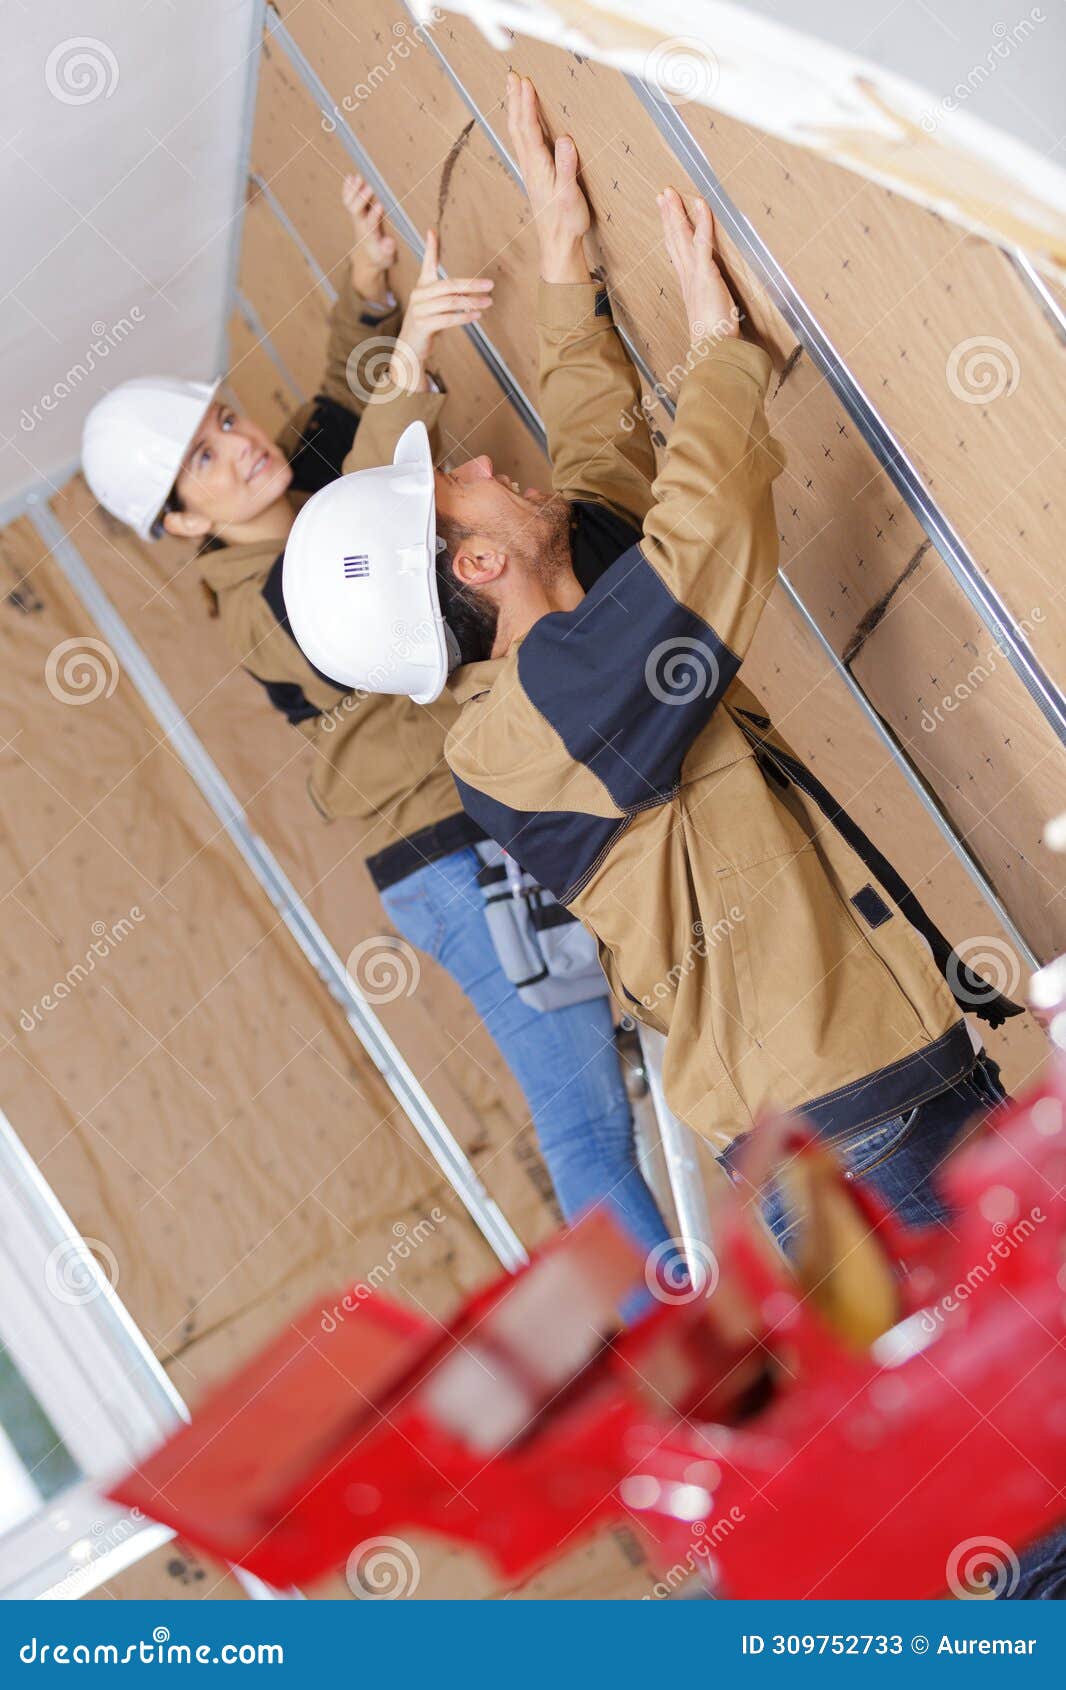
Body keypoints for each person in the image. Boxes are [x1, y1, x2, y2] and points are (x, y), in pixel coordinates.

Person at [281, 81, 1021, 1238]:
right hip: (855, 1139)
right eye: (457, 487)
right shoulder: (530, 727)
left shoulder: (564, 636)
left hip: (885, 1086)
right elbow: (707, 529)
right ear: (473, 566)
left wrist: (565, 264)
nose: (481, 463)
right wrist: (719, 345)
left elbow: (602, 469)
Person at [80, 175, 673, 1267]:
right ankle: (684, 1345)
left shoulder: (303, 481)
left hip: (498, 822)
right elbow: (370, 541)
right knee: (587, 1113)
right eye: (202, 463)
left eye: (220, 419)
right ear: (179, 525)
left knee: (665, 1052)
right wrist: (409, 365)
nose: (237, 446)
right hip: (448, 860)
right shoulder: (260, 603)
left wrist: (366, 282)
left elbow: (342, 405)